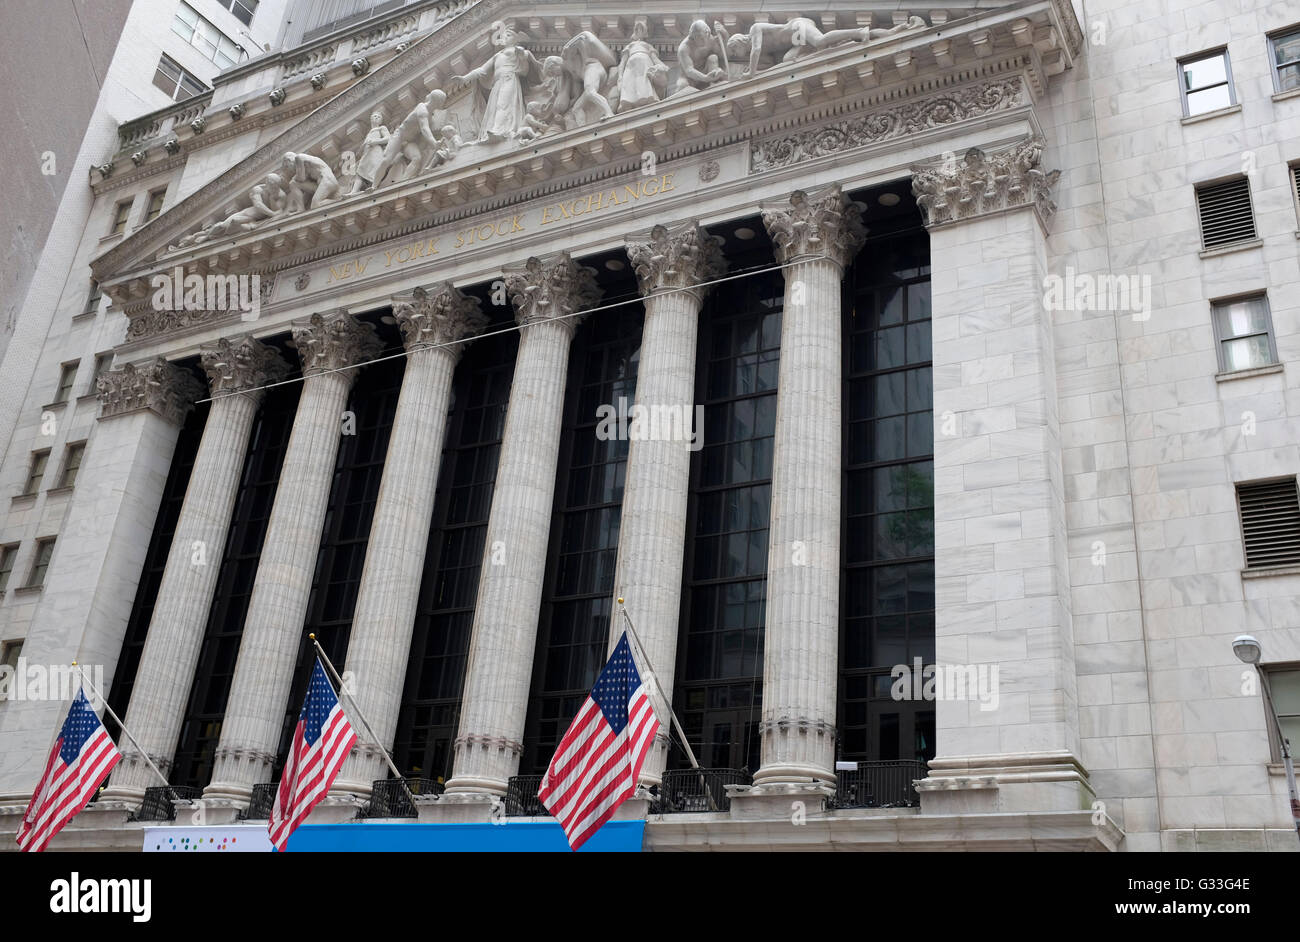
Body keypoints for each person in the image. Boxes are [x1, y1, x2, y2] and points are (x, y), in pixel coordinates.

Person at [453, 25, 541, 142]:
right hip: (498, 82)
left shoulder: (518, 51)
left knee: (503, 104)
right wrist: (465, 78)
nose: (505, 38)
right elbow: (482, 70)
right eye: (504, 36)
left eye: (509, 35)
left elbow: (524, 71)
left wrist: (522, 57)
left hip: (509, 78)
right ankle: (494, 129)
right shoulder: (498, 55)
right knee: (494, 108)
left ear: (515, 39)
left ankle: (500, 130)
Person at [372, 90, 448, 187]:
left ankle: (402, 183)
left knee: (417, 158)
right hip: (399, 137)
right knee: (386, 160)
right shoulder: (422, 109)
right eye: (442, 100)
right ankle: (373, 186)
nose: (444, 103)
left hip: (408, 142)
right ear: (437, 101)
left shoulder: (430, 115)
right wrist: (434, 143)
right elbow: (424, 129)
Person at [613, 18, 669, 112]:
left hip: (645, 67)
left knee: (643, 83)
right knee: (631, 84)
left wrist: (664, 66)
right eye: (638, 29)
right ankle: (629, 103)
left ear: (645, 33)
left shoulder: (647, 46)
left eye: (642, 30)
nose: (639, 31)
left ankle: (646, 101)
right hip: (631, 68)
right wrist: (620, 77)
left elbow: (655, 59)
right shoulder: (630, 46)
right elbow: (622, 63)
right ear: (635, 31)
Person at [349, 112, 391, 194]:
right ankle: (354, 191)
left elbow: (388, 138)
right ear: (371, 119)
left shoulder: (381, 128)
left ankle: (374, 186)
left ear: (381, 120)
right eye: (375, 116)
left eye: (379, 117)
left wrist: (375, 141)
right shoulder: (369, 133)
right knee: (360, 171)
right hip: (367, 153)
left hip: (376, 151)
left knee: (375, 168)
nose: (376, 117)